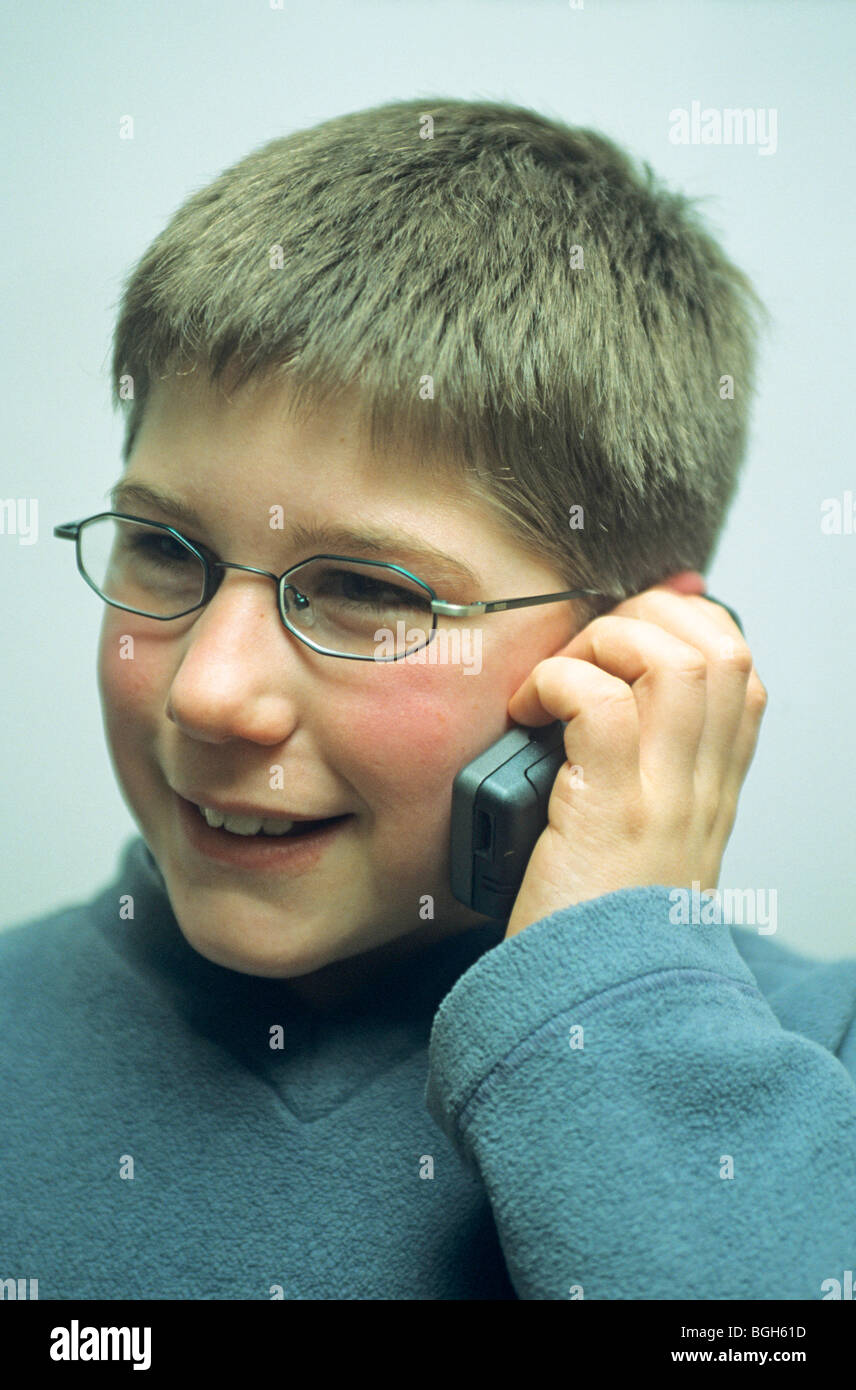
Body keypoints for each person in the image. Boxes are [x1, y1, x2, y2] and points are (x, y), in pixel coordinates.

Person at [2, 98, 854, 1301]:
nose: (211, 690)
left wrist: (619, 1008)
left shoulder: (819, 1066)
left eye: (360, 588)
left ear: (637, 656)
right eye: (162, 549)